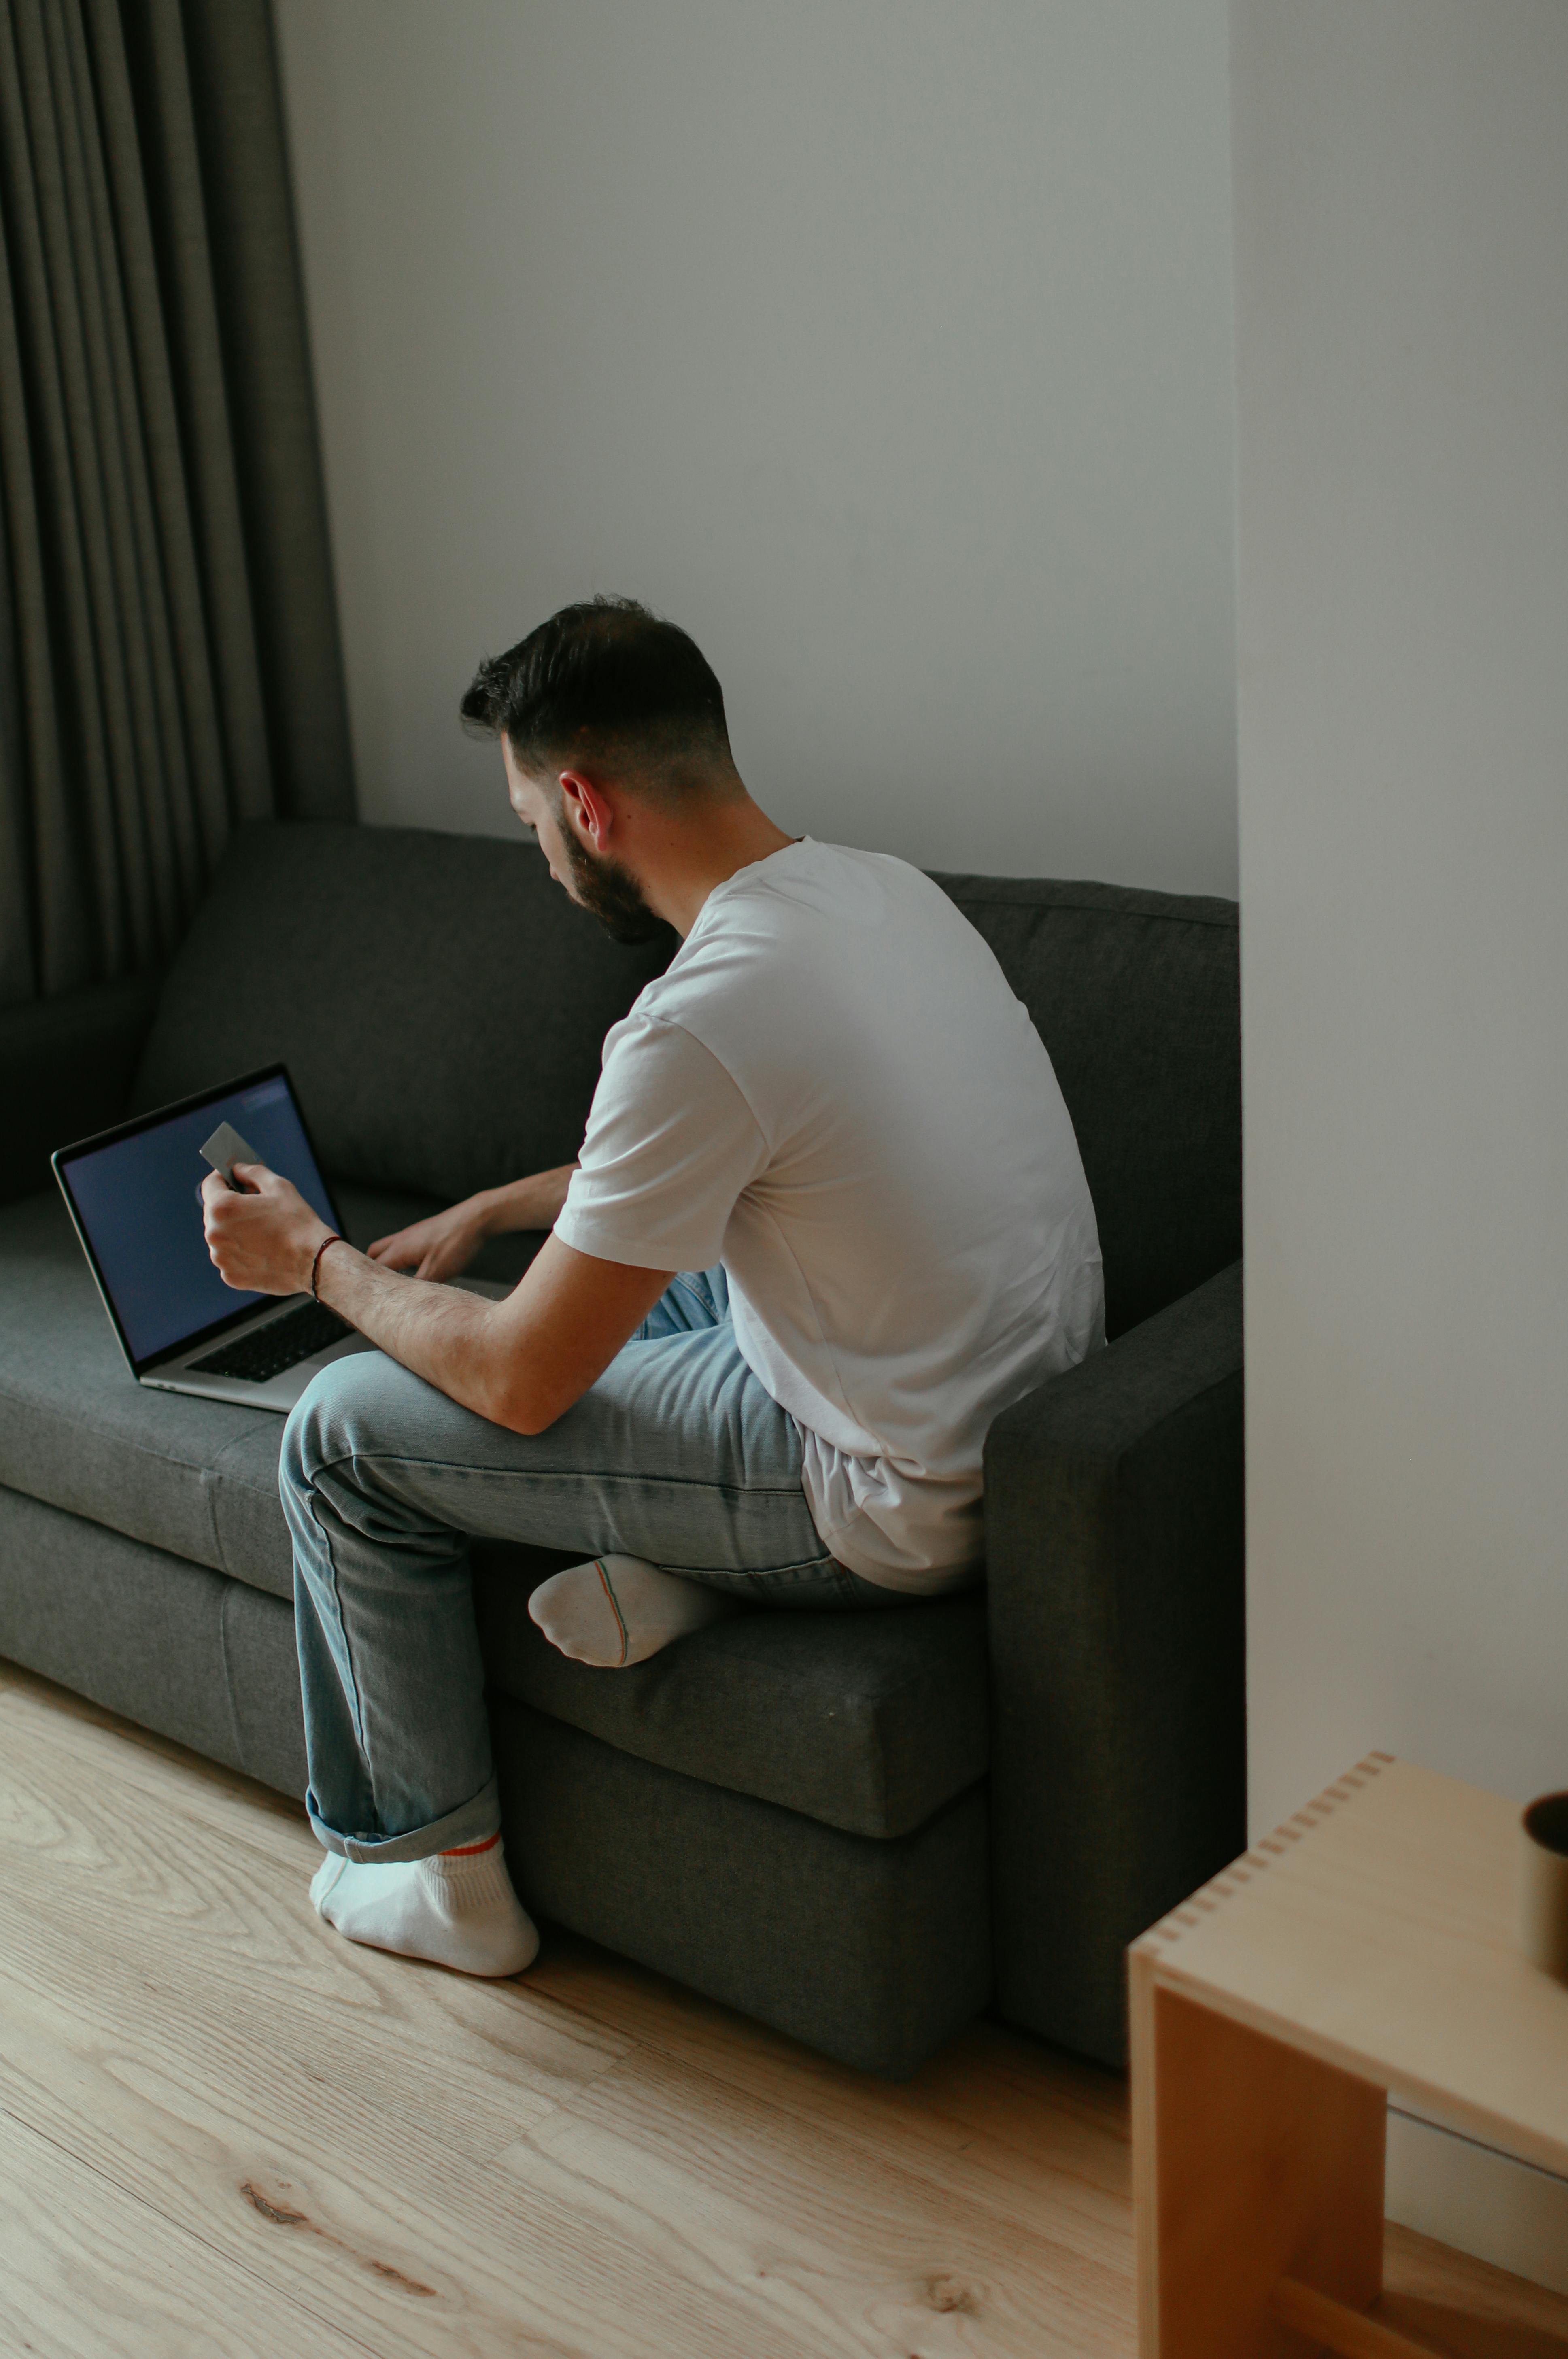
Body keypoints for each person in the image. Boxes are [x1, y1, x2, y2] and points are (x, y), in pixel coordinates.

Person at [201, 597, 1104, 1980]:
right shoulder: (879, 892)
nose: (540, 857)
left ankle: (435, 1873)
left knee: (338, 1432)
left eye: (527, 823)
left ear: (583, 802)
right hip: (1010, 1415)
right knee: (662, 1278)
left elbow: (520, 1377)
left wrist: (315, 1263)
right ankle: (688, 1574)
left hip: (891, 1490)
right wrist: (494, 1209)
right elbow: (753, 1151)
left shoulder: (699, 1015)